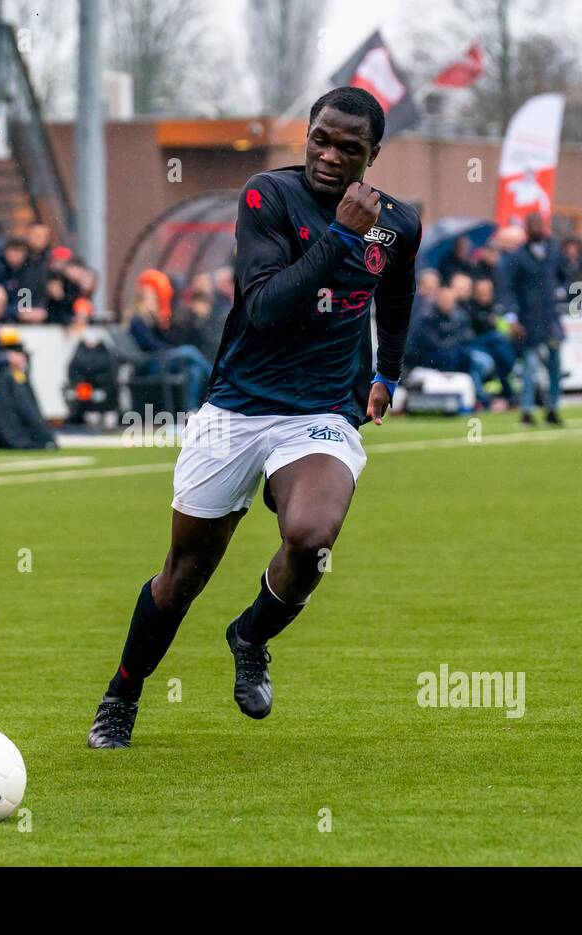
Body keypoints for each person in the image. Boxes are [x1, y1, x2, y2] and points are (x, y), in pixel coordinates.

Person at [87, 86, 421, 748]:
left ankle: (250, 634)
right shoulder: (267, 195)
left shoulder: (400, 223)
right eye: (319, 139)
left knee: (312, 534)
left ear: (373, 155)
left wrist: (387, 372)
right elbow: (268, 306)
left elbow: (399, 289)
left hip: (321, 412)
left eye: (347, 148)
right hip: (236, 407)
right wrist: (339, 235)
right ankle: (122, 692)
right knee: (182, 575)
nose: (329, 155)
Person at [0, 283, 58, 449]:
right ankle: (15, 438)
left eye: (1, 304)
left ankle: (39, 434)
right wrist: (5, 358)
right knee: (6, 383)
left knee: (20, 380)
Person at [500, 212, 564, 426]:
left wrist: (562, 291)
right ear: (527, 229)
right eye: (532, 224)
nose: (536, 228)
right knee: (530, 365)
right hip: (529, 318)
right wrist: (511, 316)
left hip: (551, 317)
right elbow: (507, 288)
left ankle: (552, 408)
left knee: (555, 364)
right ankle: (527, 410)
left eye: (538, 224)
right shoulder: (517, 256)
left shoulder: (554, 252)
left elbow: (566, 275)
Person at [405, 284, 496, 411]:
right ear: (437, 299)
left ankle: (478, 399)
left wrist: (453, 344)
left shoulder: (459, 315)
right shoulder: (426, 317)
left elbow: (468, 337)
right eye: (445, 299)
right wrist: (454, 343)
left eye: (450, 300)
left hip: (456, 355)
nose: (448, 303)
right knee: (469, 362)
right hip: (429, 359)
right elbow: (433, 344)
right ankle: (480, 399)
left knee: (479, 361)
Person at [127, 285, 212, 413]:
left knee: (194, 370)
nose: (153, 303)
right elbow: (151, 344)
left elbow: (166, 340)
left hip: (161, 360)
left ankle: (191, 410)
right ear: (140, 301)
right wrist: (172, 352)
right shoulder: (137, 321)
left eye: (154, 300)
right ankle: (215, 378)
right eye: (149, 299)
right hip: (150, 364)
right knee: (189, 351)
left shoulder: (151, 320)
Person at [465, 276, 516, 407]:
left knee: (500, 353)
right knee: (496, 341)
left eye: (487, 291)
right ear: (475, 292)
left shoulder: (496, 307)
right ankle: (486, 399)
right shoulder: (469, 308)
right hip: (474, 346)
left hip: (494, 349)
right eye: (482, 292)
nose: (485, 295)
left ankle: (509, 394)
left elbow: (505, 330)